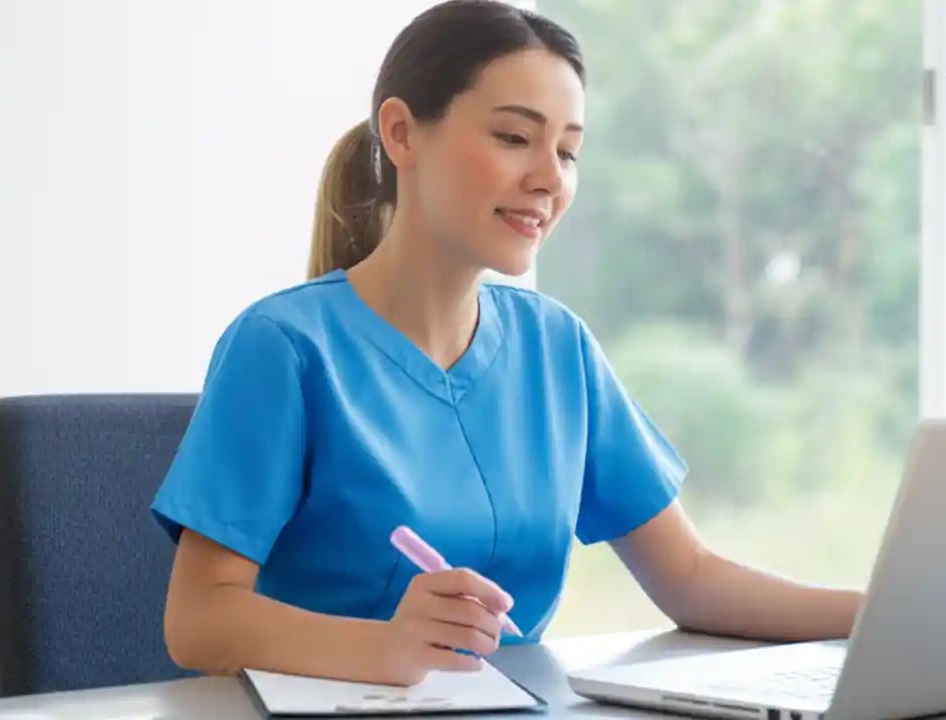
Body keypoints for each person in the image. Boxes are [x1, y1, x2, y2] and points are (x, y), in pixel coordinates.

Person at [152, 0, 864, 688]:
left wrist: (882, 616)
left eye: (569, 151)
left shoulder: (557, 349)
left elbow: (690, 578)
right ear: (401, 133)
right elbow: (199, 621)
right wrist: (387, 647)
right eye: (514, 138)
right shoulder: (282, 348)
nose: (550, 178)